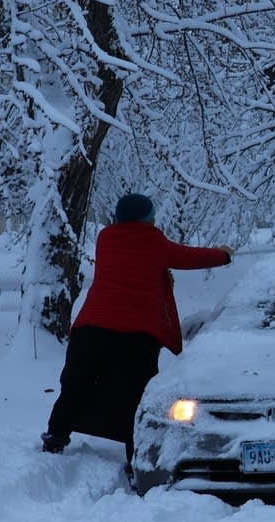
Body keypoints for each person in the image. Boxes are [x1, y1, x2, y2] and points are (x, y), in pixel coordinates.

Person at [42, 194, 233, 456]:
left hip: (90, 328)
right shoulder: (153, 242)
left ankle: (56, 437)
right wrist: (223, 255)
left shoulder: (105, 238)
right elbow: (188, 257)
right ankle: (137, 455)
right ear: (147, 217)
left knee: (76, 383)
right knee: (135, 394)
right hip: (136, 335)